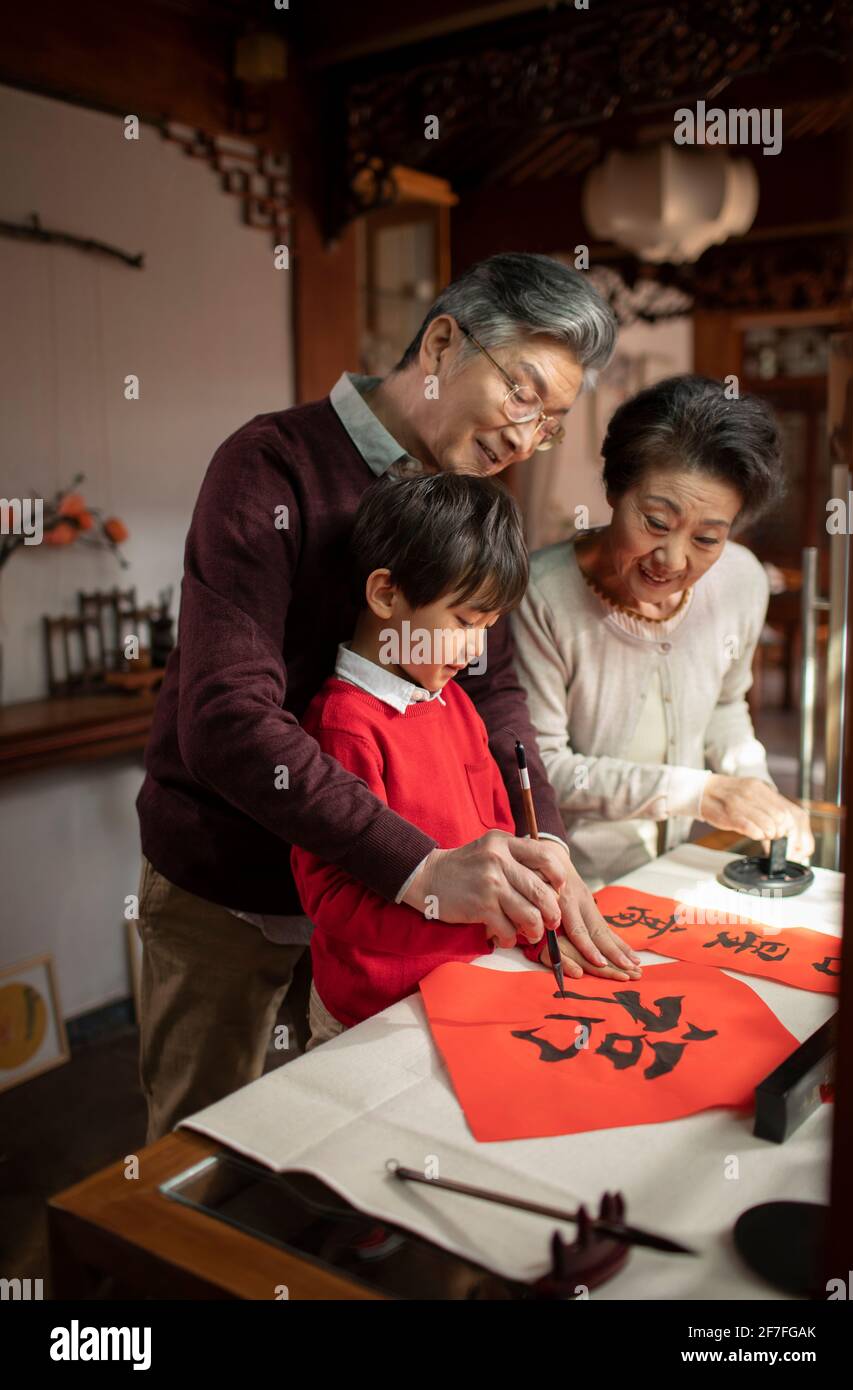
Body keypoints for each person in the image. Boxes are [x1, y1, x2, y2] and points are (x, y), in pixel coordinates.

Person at [135, 252, 639, 1140]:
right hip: (235, 885)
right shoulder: (271, 466)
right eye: (523, 394)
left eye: (552, 424)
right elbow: (226, 719)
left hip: (395, 912)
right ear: (443, 341)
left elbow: (498, 693)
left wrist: (544, 843)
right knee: (200, 1166)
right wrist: (420, 867)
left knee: (360, 1148)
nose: (526, 438)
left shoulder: (471, 494)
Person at [291, 473, 644, 1050]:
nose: (476, 651)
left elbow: (498, 831)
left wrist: (532, 913)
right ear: (385, 595)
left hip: (462, 989)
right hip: (370, 1017)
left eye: (488, 627)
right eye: (463, 622)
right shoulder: (343, 726)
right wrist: (479, 926)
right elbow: (331, 900)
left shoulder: (454, 699)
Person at [511, 374, 814, 891]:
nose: (672, 560)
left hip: (674, 876)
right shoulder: (541, 595)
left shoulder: (740, 579)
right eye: (655, 522)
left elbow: (725, 706)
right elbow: (543, 768)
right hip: (565, 885)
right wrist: (702, 793)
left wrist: (756, 791)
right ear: (613, 489)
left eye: (706, 538)